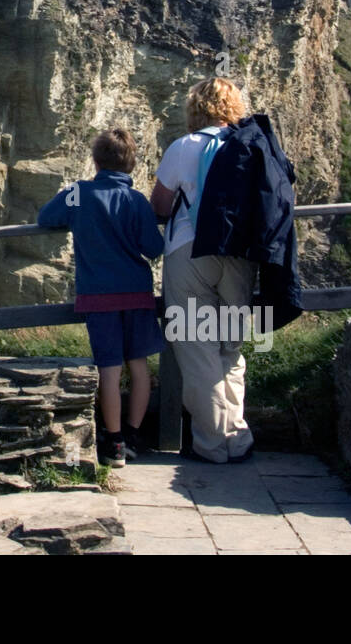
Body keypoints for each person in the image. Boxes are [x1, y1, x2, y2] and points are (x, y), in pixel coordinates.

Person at [38, 127, 165, 467]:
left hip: (99, 297)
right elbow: (154, 248)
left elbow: (45, 218)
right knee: (139, 366)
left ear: (95, 161)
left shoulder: (80, 193)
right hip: (136, 293)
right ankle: (134, 433)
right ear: (132, 164)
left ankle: (115, 443)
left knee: (108, 370)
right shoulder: (136, 200)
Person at [150, 78, 257, 464]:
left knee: (196, 349)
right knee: (230, 348)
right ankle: (237, 438)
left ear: (195, 107)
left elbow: (160, 207)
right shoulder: (252, 143)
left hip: (190, 253)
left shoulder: (185, 147)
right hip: (242, 257)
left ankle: (212, 444)